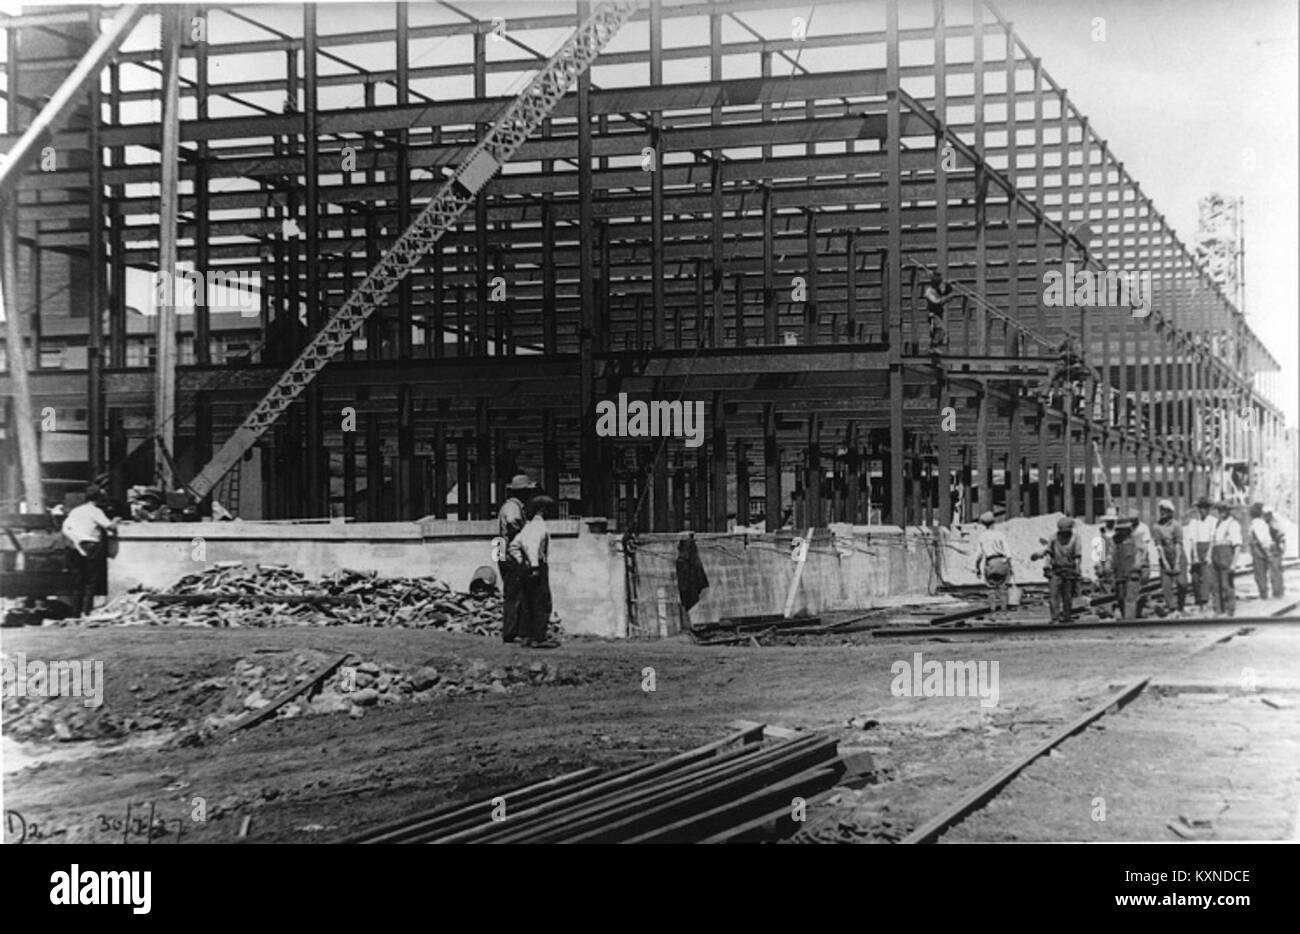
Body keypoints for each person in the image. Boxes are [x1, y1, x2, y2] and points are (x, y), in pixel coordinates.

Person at [60, 484, 119, 616]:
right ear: (98, 499)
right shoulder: (95, 511)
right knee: (91, 580)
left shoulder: (76, 511)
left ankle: (76, 612)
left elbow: (65, 528)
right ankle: (87, 611)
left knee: (79, 579)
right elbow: (110, 527)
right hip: (92, 545)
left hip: (76, 546)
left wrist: (75, 541)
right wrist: (116, 519)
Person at [509, 494, 557, 648]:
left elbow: (514, 546)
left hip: (525, 567)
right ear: (542, 510)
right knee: (542, 601)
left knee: (528, 601)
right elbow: (533, 546)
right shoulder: (539, 527)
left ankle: (528, 636)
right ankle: (538, 637)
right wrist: (535, 566)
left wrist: (521, 561)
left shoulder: (528, 527)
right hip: (537, 567)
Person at [495, 473, 536, 643]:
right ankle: (512, 632)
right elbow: (512, 522)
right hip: (508, 549)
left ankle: (515, 629)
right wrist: (524, 533)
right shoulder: (513, 507)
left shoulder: (511, 506)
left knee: (514, 589)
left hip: (501, 547)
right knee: (515, 591)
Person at [1031, 516, 1082, 623]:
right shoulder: (1053, 537)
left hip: (1069, 569)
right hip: (1056, 570)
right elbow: (1049, 553)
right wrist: (1046, 566)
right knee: (1054, 595)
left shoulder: (1076, 538)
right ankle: (1055, 617)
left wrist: (1077, 569)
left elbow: (1077, 556)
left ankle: (1067, 616)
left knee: (1067, 596)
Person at [1152, 499, 1187, 615]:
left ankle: (1181, 607)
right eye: (1161, 510)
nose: (1162, 513)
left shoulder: (1176, 525)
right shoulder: (1157, 527)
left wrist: (1176, 562)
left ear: (1170, 512)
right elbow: (1158, 545)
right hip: (1165, 555)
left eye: (1165, 510)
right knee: (1166, 584)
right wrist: (1165, 562)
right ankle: (1172, 608)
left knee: (1182, 583)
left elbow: (1178, 543)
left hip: (1178, 555)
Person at [1208, 501, 1242, 617]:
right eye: (1219, 510)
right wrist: (1209, 556)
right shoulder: (1218, 523)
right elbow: (1213, 541)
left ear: (1228, 511)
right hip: (1216, 554)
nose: (1220, 512)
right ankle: (1217, 610)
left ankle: (1229, 610)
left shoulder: (1233, 524)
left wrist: (1234, 563)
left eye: (1223, 510)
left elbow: (1237, 546)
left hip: (1226, 554)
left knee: (1226, 584)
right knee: (1215, 585)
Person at [974, 511, 1012, 613]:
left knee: (991, 589)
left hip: (990, 563)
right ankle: (1004, 611)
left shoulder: (982, 536)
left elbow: (979, 555)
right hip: (1001, 561)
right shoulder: (1000, 535)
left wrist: (977, 568)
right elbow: (1008, 552)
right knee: (1003, 589)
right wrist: (1009, 566)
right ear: (993, 521)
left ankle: (992, 611)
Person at [1184, 495, 1215, 614]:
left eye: (1205, 508)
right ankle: (1198, 601)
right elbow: (1192, 539)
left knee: (1206, 575)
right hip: (1197, 548)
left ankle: (1205, 601)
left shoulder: (1212, 521)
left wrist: (1208, 554)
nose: (1202, 510)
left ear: (1208, 509)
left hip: (1207, 547)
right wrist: (1195, 555)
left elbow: (1212, 538)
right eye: (1200, 508)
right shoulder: (1194, 522)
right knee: (1195, 576)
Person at [1111, 516, 1144, 620]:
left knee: (1130, 599)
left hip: (1132, 572)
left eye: (1123, 528)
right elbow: (1111, 554)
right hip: (1119, 573)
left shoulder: (1136, 538)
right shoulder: (1115, 540)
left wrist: (1138, 564)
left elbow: (1140, 552)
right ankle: (1124, 618)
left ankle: (1129, 622)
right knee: (1120, 597)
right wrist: (1108, 565)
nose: (1122, 531)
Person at [923, 271, 958, 353]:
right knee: (940, 330)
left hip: (938, 313)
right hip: (932, 314)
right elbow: (936, 302)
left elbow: (944, 293)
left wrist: (950, 285)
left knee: (935, 332)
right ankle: (933, 347)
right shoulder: (929, 292)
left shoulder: (936, 290)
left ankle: (933, 347)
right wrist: (947, 298)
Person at [1247, 502, 1275, 600]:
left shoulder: (1256, 523)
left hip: (1259, 549)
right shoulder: (1262, 523)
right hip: (1263, 549)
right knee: (1263, 572)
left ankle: (1263, 594)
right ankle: (1264, 592)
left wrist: (1266, 552)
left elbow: (1261, 539)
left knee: (1259, 573)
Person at [1090, 512, 1117, 595]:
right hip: (1103, 560)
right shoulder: (1101, 533)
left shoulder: (1117, 532)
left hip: (1115, 560)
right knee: (1104, 582)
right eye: (1109, 521)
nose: (1111, 522)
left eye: (1112, 521)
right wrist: (1097, 564)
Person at [1264, 507, 1286, 598]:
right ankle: (1278, 591)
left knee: (1275, 572)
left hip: (1275, 549)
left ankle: (1278, 592)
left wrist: (1279, 547)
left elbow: (1281, 537)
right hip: (1276, 549)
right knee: (1276, 571)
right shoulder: (1272, 523)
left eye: (1265, 515)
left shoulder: (1273, 524)